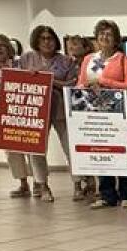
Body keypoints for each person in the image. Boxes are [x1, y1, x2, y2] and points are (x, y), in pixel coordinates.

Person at [77, 19, 127, 209]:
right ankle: (106, 194)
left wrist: (105, 82)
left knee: (122, 153)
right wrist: (86, 85)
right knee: (101, 152)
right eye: (101, 34)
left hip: (117, 114)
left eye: (109, 34)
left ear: (116, 39)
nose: (104, 37)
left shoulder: (122, 59)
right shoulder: (88, 59)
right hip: (94, 114)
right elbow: (80, 83)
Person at [0, 31, 51, 200]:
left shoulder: (20, 62)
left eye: (1, 44)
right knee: (12, 152)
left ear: (8, 46)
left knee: (35, 151)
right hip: (3, 115)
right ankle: (23, 184)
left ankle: (42, 184)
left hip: (26, 113)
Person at [18, 25, 78, 203]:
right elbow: (18, 81)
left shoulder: (66, 60)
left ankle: (78, 183)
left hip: (60, 108)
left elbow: (72, 84)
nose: (46, 42)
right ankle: (42, 184)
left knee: (70, 148)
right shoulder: (26, 58)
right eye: (42, 38)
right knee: (36, 151)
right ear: (36, 40)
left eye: (50, 38)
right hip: (35, 111)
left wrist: (49, 80)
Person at [64, 34, 96, 201]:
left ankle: (92, 183)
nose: (72, 49)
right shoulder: (66, 63)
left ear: (86, 47)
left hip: (89, 111)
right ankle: (78, 184)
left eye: (76, 45)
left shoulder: (93, 62)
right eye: (70, 46)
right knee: (74, 149)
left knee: (92, 147)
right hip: (71, 111)